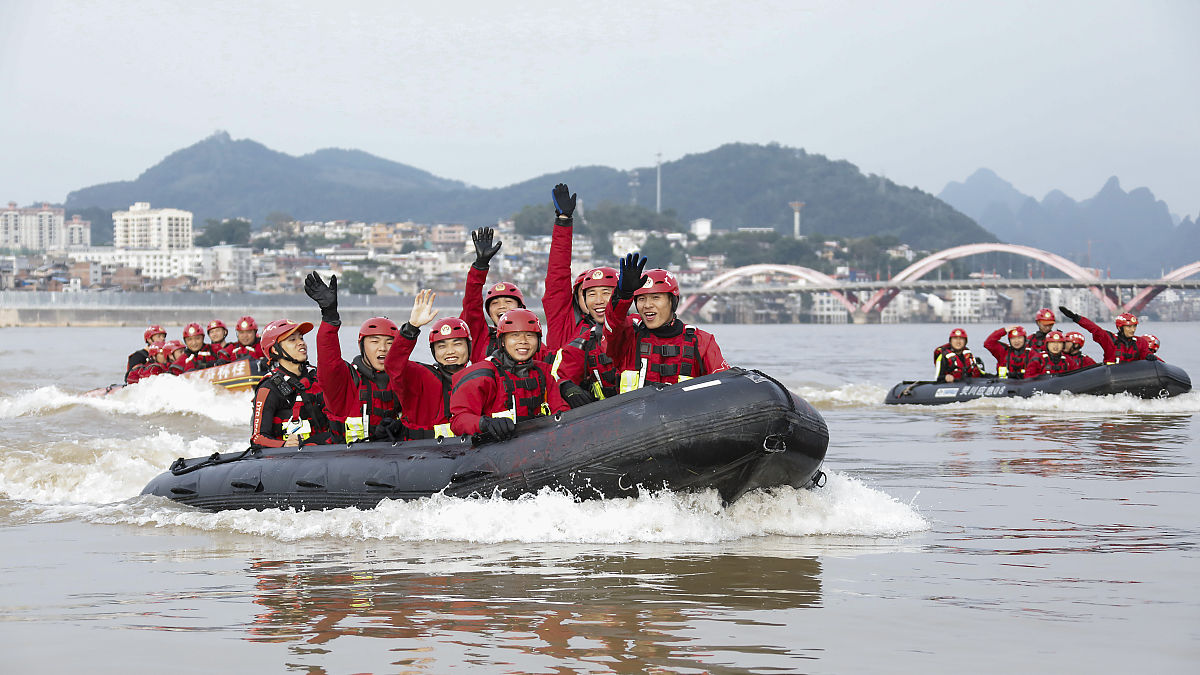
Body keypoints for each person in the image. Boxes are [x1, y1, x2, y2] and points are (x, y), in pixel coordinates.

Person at [604, 254, 729, 393]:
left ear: (673, 301)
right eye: (641, 299)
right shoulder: (628, 336)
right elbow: (612, 325)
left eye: (656, 297)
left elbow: (724, 383)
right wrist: (623, 294)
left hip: (683, 414)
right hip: (634, 414)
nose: (647, 305)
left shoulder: (701, 341)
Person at [305, 272, 403, 443]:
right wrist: (330, 316)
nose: (383, 348)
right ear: (362, 346)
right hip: (345, 459)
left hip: (391, 458)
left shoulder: (403, 381)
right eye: (375, 341)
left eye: (389, 342)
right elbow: (329, 359)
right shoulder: (345, 380)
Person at [449, 308, 569, 440]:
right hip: (496, 449)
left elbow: (561, 410)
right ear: (502, 341)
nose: (523, 341)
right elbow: (458, 421)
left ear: (538, 341)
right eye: (515, 335)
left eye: (530, 335)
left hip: (537, 444)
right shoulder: (483, 375)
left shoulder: (544, 372)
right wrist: (484, 424)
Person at [385, 289, 473, 438]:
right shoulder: (421, 376)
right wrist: (411, 328)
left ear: (468, 346)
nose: (450, 351)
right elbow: (393, 364)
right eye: (442, 346)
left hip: (465, 454)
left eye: (457, 344)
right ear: (434, 352)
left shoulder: (480, 377)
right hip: (422, 454)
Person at [250, 318, 336, 448]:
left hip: (324, 449)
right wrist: (284, 444)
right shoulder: (268, 388)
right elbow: (257, 438)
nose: (301, 343)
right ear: (275, 350)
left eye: (301, 338)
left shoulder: (318, 378)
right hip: (290, 458)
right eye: (292, 340)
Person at [460, 226, 531, 362]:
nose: (501, 306)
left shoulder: (531, 341)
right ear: (488, 311)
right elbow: (471, 303)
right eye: (494, 303)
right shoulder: (480, 336)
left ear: (521, 308)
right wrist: (480, 265)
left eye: (508, 302)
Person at [1058, 306, 1150, 363]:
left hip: (1132, 377)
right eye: (1129, 327)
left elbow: (1147, 354)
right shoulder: (1109, 339)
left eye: (1134, 327)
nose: (1133, 330)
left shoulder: (1140, 342)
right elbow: (1094, 328)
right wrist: (1076, 318)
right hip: (1112, 376)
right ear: (1120, 328)